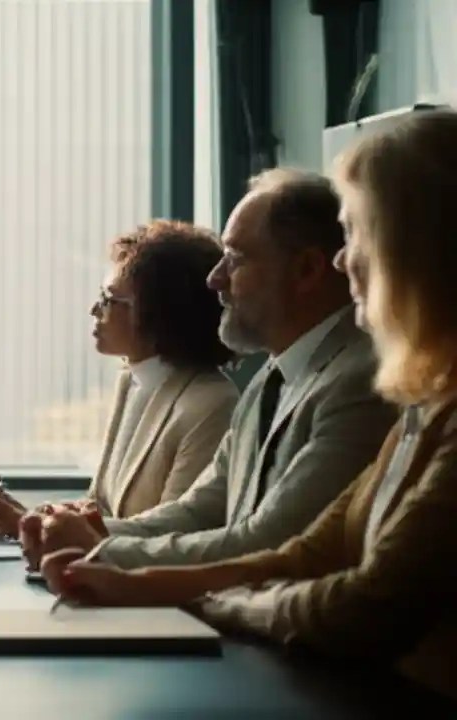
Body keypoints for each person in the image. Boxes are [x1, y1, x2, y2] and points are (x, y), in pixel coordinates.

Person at [46, 110, 457, 701]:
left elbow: (364, 600)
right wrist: (120, 564)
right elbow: (303, 550)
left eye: (360, 236)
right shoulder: (411, 404)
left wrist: (202, 596)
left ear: (421, 253)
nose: (344, 260)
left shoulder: (378, 389)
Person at [25, 169, 396, 571]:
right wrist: (85, 534)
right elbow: (198, 511)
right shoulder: (268, 381)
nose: (215, 279)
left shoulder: (360, 382)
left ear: (306, 270)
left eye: (235, 258)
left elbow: (268, 544)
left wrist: (101, 550)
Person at [0, 220, 238, 536]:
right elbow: (100, 506)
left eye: (109, 299)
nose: (94, 310)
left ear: (161, 312)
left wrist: (31, 526)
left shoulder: (211, 404)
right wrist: (32, 518)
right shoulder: (131, 381)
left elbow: (174, 532)